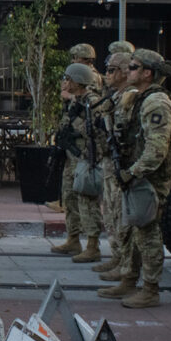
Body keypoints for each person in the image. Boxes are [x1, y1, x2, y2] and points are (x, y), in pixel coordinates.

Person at [97, 49, 171, 309]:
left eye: (132, 67)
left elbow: (156, 150)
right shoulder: (138, 98)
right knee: (135, 231)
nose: (126, 72)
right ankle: (129, 278)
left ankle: (150, 288)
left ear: (147, 73)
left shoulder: (157, 103)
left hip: (150, 179)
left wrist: (132, 173)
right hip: (137, 176)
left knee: (149, 234)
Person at [50, 63, 106, 262]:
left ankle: (93, 245)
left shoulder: (92, 101)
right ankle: (73, 238)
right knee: (70, 197)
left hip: (85, 157)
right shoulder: (75, 101)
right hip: (71, 157)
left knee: (87, 200)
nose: (64, 82)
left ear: (77, 81)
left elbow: (97, 130)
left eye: (68, 78)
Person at [96, 49, 138, 278]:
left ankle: (127, 267)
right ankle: (118, 257)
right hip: (111, 163)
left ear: (124, 72)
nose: (107, 75)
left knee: (123, 218)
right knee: (111, 214)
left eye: (112, 70)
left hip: (124, 166)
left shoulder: (130, 97)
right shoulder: (114, 96)